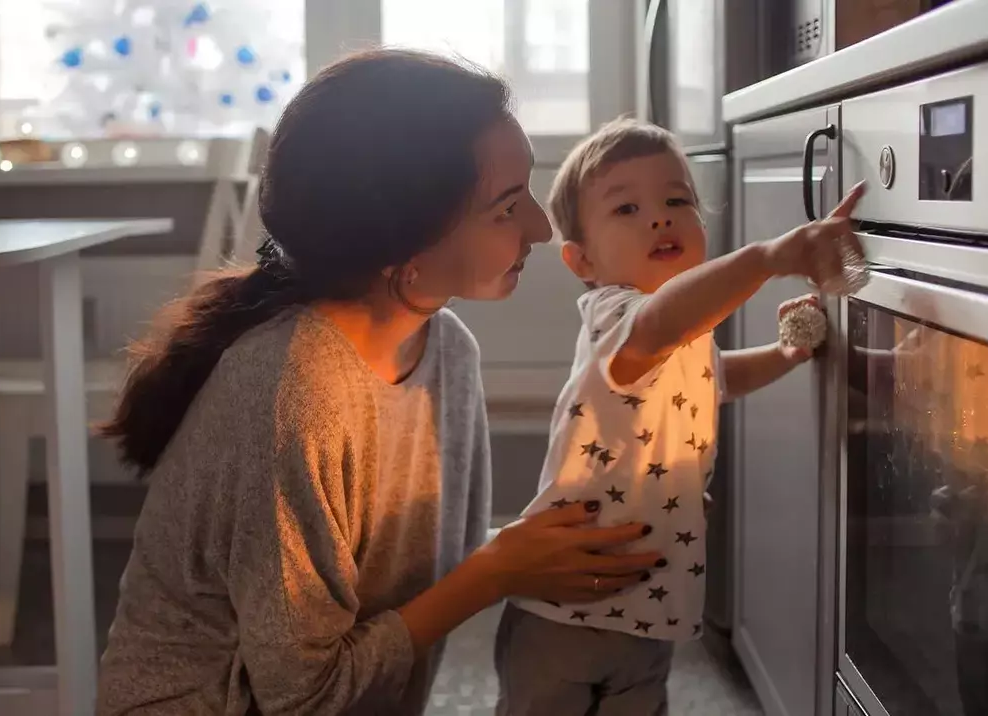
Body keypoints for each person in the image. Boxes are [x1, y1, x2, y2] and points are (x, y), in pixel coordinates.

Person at [94, 51, 669, 716]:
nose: (542, 227)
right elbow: (304, 696)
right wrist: (498, 569)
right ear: (409, 258)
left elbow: (426, 580)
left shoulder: (449, 351)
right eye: (507, 208)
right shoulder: (293, 393)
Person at [494, 118, 866, 715]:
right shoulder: (617, 316)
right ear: (581, 260)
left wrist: (785, 354)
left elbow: (722, 377)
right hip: (565, 614)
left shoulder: (684, 338)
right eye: (627, 209)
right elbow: (665, 319)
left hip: (650, 608)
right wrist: (769, 257)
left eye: (676, 200)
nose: (660, 218)